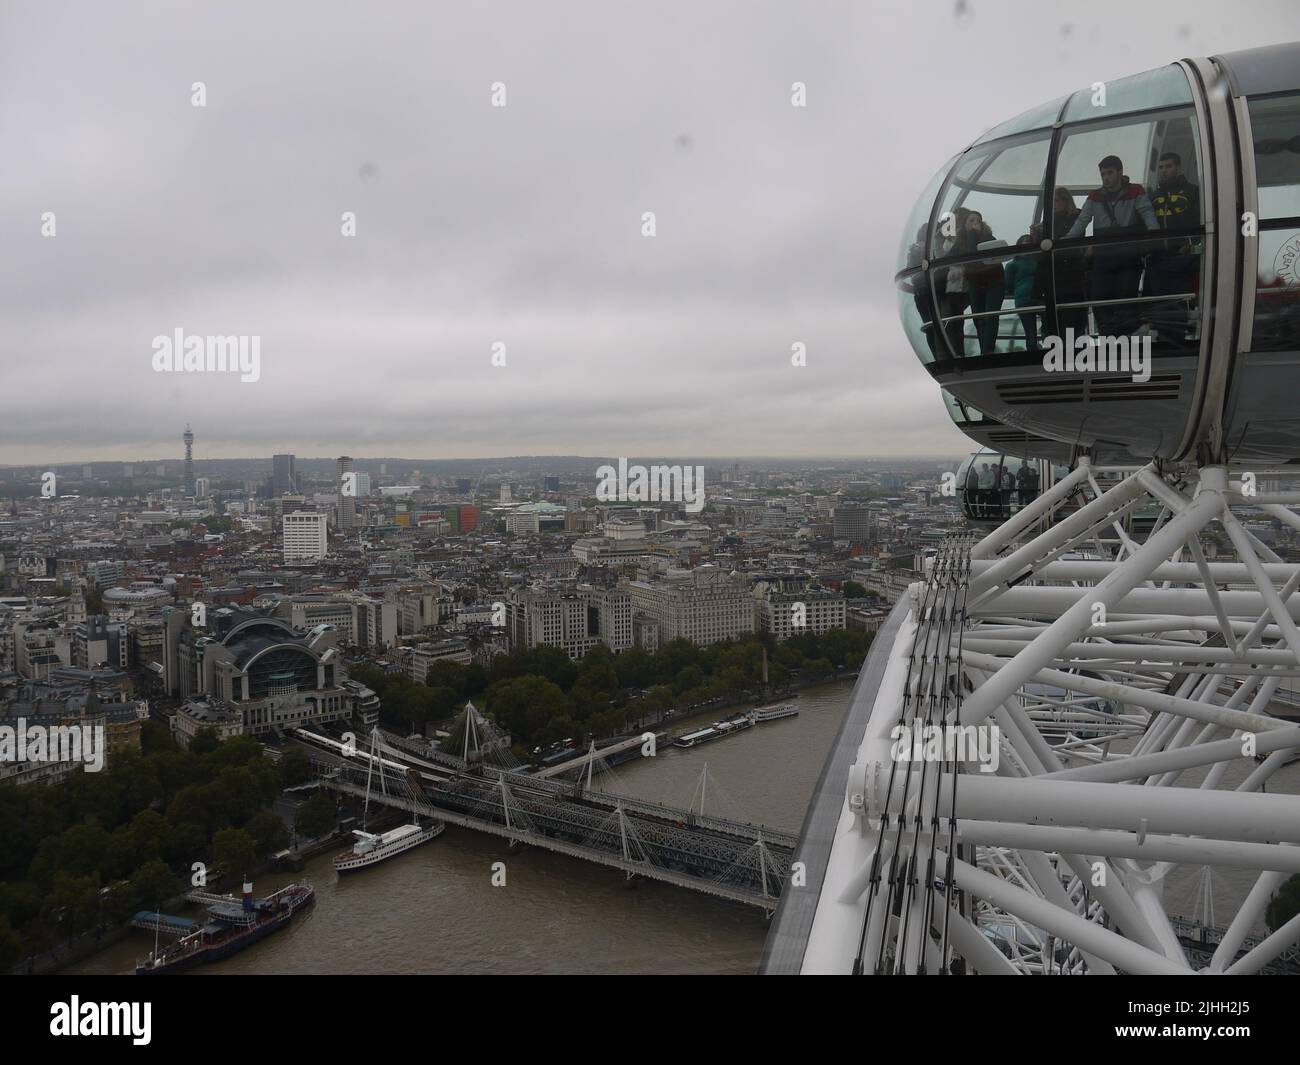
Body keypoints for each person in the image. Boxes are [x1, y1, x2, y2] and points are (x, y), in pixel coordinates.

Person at [1066, 156, 1158, 335]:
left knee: (1125, 298)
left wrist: (1155, 235)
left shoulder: (1136, 191)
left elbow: (1148, 215)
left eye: (1109, 173)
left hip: (1127, 256)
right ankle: (1109, 336)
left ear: (1120, 172)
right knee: (1099, 298)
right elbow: (1082, 221)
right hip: (1105, 256)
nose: (1106, 177)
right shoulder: (1095, 197)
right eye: (1103, 174)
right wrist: (1067, 239)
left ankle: (1122, 338)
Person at [1145, 151, 1201, 343]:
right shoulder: (1153, 195)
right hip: (1159, 255)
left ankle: (1178, 337)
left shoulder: (1193, 191)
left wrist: (1190, 244)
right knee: (1161, 300)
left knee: (1178, 297)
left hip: (1181, 254)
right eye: (1161, 167)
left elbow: (1199, 221)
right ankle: (1164, 337)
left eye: (1168, 166)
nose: (1164, 171)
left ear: (1178, 167)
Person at [961, 212, 1006, 354]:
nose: (975, 223)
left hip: (994, 282)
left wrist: (973, 235)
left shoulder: (988, 238)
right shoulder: (961, 242)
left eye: (978, 220)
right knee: (978, 318)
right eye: (971, 220)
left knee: (990, 316)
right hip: (975, 283)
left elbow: (975, 256)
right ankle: (984, 350)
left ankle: (988, 351)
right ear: (965, 224)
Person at [1050, 187, 1089, 336]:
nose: (1054, 204)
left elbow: (1074, 242)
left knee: (1073, 314)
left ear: (1066, 201)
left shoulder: (1075, 217)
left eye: (1056, 200)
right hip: (1060, 272)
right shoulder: (1050, 221)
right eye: (1052, 201)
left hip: (1072, 271)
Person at [939, 207, 973, 355]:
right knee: (952, 322)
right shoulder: (950, 238)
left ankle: (957, 354)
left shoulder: (965, 236)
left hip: (963, 284)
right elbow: (942, 255)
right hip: (951, 286)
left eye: (958, 219)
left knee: (955, 321)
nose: (955, 222)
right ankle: (954, 353)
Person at [1004, 235, 1040, 350]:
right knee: (1038, 330)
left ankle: (1033, 357)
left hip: (1023, 299)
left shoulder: (1012, 265)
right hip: (1037, 298)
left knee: (1030, 333)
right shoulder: (1039, 262)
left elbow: (1008, 285)